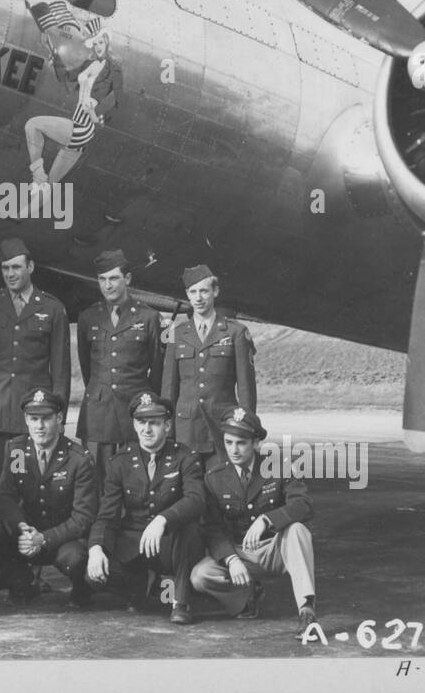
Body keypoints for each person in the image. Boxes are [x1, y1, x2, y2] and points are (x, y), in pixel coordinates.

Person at [189, 409, 317, 636]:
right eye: (229, 442)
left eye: (241, 443)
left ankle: (306, 610)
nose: (234, 450)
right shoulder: (214, 478)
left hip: (275, 549)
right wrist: (231, 560)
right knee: (200, 576)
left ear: (256, 443)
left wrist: (267, 520)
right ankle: (248, 594)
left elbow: (303, 505)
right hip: (240, 553)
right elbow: (212, 528)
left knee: (297, 530)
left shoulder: (278, 467)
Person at [86, 392, 205, 625]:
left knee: (187, 527)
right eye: (141, 422)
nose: (147, 429)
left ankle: (181, 601)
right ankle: (142, 586)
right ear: (134, 424)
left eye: (154, 423)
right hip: (135, 544)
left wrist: (163, 519)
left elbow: (196, 499)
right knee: (92, 574)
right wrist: (96, 549)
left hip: (171, 543)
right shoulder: (120, 461)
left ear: (167, 425)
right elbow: (107, 514)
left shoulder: (185, 456)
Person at [0, 238, 72, 490]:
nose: (10, 274)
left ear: (30, 267)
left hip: (33, 414)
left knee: (27, 485)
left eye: (16, 267)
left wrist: (58, 416)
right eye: (5, 268)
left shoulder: (52, 308)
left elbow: (60, 370)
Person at [0, 388, 97, 608]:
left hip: (62, 540)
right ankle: (23, 583)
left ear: (59, 418)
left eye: (46, 419)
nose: (39, 426)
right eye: (34, 419)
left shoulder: (78, 459)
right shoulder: (17, 451)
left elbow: (83, 517)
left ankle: (81, 588)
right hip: (27, 535)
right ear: (26, 420)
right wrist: (22, 528)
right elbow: (6, 497)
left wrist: (44, 538)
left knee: (74, 559)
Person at [75, 249, 164, 486]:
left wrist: (148, 406)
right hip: (97, 414)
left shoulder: (149, 317)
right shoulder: (87, 317)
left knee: (135, 481)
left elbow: (158, 369)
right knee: (95, 482)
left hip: (134, 412)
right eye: (102, 279)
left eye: (113, 278)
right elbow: (87, 368)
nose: (108, 285)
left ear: (128, 279)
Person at [161, 264, 257, 460]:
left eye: (204, 291)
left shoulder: (236, 332)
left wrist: (246, 428)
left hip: (222, 430)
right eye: (193, 292)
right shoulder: (176, 334)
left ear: (216, 291)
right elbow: (169, 388)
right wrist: (167, 432)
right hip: (186, 431)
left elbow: (246, 388)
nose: (198, 298)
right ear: (187, 295)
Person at [24, 20, 121, 187]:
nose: (98, 46)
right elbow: (66, 77)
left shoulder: (113, 70)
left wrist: (98, 117)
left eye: (101, 42)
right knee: (47, 190)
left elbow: (119, 101)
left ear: (107, 42)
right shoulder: (89, 64)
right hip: (79, 132)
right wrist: (51, 49)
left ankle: (38, 176)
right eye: (95, 43)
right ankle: (39, 185)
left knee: (32, 125)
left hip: (81, 128)